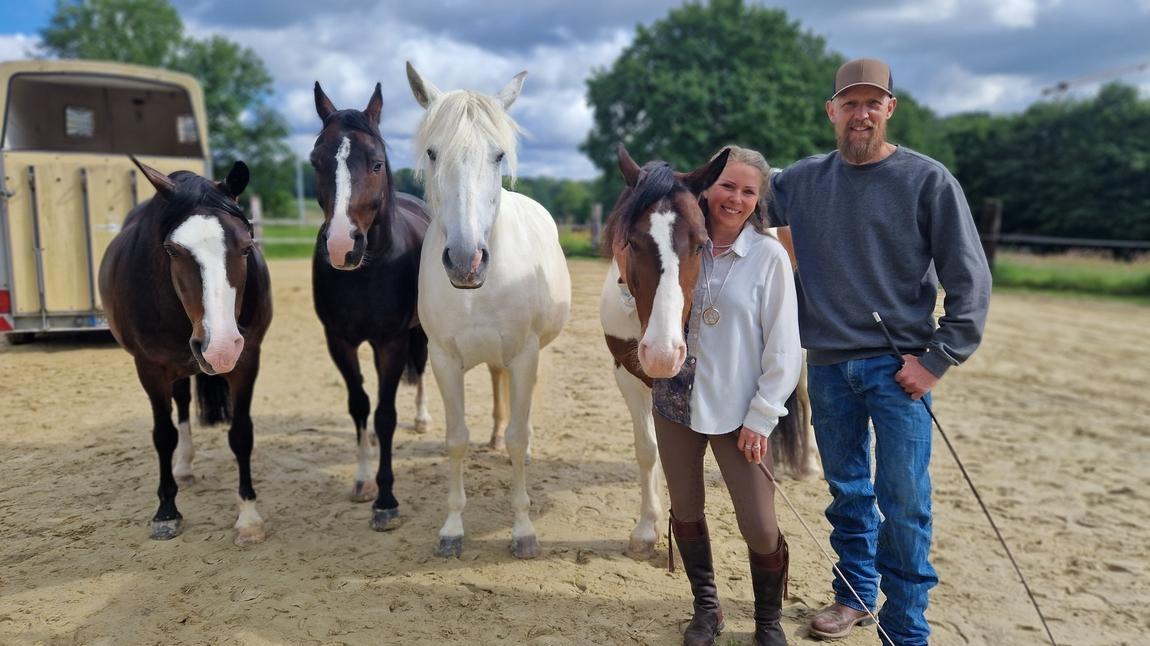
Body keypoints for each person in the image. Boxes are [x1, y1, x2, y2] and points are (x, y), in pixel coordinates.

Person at [768, 59, 993, 645]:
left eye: (873, 103)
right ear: (832, 111)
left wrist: (938, 358)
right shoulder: (798, 182)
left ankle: (906, 626)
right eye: (850, 103)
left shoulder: (928, 180)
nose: (861, 114)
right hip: (827, 367)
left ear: (890, 108)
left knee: (905, 501)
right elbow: (734, 196)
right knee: (847, 492)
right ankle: (855, 595)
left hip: (900, 369)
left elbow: (970, 278)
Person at [653, 145, 803, 646]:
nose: (734, 198)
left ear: (758, 200)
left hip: (739, 409)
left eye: (747, 191)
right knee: (686, 508)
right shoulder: (677, 242)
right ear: (707, 188)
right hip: (674, 401)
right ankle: (707, 609)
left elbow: (784, 350)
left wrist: (761, 419)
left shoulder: (768, 257)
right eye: (726, 186)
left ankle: (767, 622)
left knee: (760, 525)